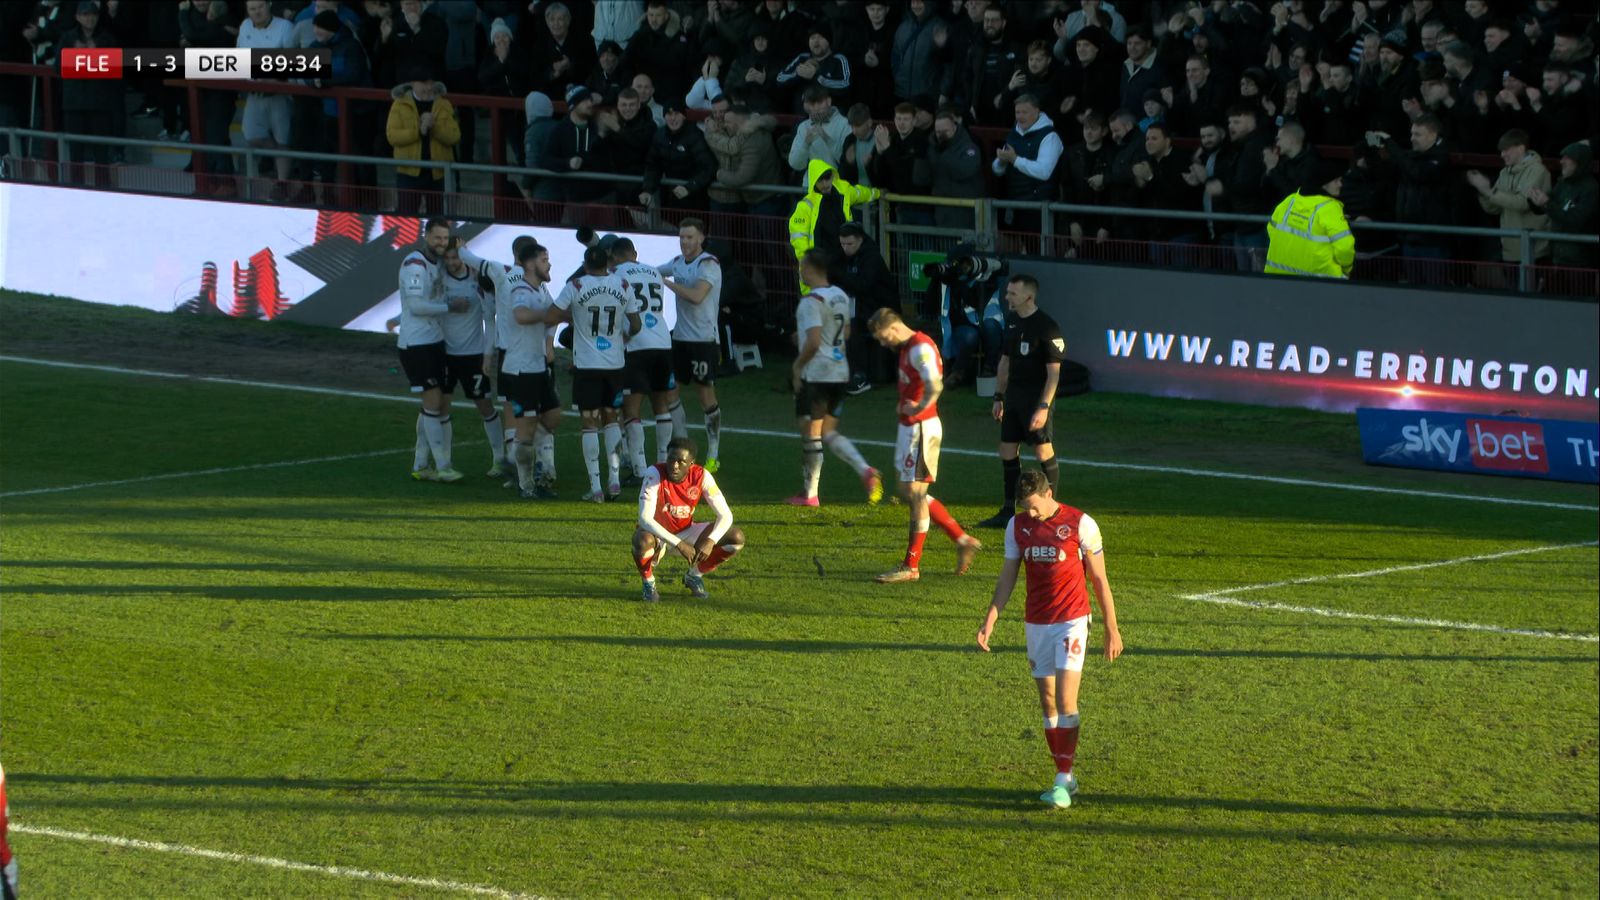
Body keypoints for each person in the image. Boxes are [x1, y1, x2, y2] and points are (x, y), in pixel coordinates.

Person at [976, 469, 1125, 809]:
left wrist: (1111, 627)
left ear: (1048, 492)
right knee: (1048, 702)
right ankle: (1065, 776)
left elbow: (1099, 580)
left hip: (1072, 621)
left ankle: (1062, 776)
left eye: (1033, 506)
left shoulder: (1080, 524)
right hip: (1037, 622)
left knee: (1066, 698)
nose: (1029, 513)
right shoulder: (1017, 527)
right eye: (1024, 507)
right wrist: (990, 619)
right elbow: (1008, 576)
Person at [868, 308, 982, 585]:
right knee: (908, 491)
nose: (884, 344)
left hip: (921, 429)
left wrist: (919, 406)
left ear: (893, 328)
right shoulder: (910, 347)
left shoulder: (919, 348)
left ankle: (911, 565)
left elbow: (935, 384)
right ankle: (962, 539)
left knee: (916, 495)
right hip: (910, 428)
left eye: (883, 337)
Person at [548, 245, 644, 502]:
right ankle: (614, 482)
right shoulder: (623, 285)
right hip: (614, 365)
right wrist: (623, 335)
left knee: (589, 422)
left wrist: (575, 318)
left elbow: (552, 315)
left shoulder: (576, 286)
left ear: (585, 264)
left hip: (587, 365)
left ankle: (596, 487)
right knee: (611, 419)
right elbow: (636, 324)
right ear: (608, 262)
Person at [787, 249, 881, 508]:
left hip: (816, 373)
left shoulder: (810, 301)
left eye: (802, 267)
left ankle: (810, 494)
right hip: (840, 371)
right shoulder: (839, 295)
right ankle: (864, 469)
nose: (800, 271)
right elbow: (846, 332)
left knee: (811, 433)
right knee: (828, 431)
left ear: (809, 269)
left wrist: (797, 367)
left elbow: (815, 342)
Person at [978, 275, 1064, 529]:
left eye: (1012, 294)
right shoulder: (1012, 323)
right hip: (1013, 398)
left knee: (1042, 450)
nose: (1007, 298)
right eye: (1008, 293)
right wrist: (998, 396)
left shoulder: (1047, 327)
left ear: (1028, 296)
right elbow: (1005, 363)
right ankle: (1008, 510)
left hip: (1035, 400)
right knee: (1006, 450)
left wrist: (1044, 407)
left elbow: (1054, 375)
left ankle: (1050, 510)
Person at [398, 219, 473, 482]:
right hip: (416, 344)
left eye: (445, 238)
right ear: (426, 235)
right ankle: (443, 467)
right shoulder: (414, 265)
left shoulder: (439, 262)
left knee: (438, 404)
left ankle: (421, 464)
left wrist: (463, 251)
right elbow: (417, 306)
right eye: (437, 238)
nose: (441, 243)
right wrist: (450, 307)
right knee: (433, 402)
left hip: (435, 341)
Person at [633, 437, 745, 602]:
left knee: (736, 537)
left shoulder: (702, 476)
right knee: (642, 540)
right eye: (671, 459)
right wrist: (679, 544)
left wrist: (711, 541)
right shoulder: (654, 474)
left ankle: (694, 575)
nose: (674, 466)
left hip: (686, 531)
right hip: (658, 535)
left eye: (681, 462)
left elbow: (726, 515)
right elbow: (644, 519)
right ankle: (648, 583)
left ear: (691, 464)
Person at [658, 219, 726, 473]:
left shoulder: (709, 265)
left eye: (689, 237)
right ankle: (683, 445)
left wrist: (667, 283)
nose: (684, 242)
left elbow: (697, 296)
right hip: (680, 340)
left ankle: (713, 454)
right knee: (670, 389)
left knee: (705, 394)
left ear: (701, 238)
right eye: (682, 237)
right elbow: (656, 271)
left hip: (704, 342)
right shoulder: (677, 262)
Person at [435, 239, 507, 478]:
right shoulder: (439, 280)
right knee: (440, 407)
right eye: (448, 258)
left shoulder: (478, 282)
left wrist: (488, 354)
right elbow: (426, 305)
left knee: (485, 406)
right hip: (445, 355)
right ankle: (443, 463)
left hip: (473, 356)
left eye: (455, 257)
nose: (452, 262)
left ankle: (499, 459)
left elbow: (490, 320)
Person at [612, 237, 679, 478]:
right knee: (662, 406)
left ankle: (640, 470)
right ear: (634, 252)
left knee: (632, 409)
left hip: (635, 346)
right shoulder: (653, 272)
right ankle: (663, 464)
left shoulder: (616, 274)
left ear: (615, 257)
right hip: (662, 342)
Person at [502, 239, 563, 498]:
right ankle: (526, 485)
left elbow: (553, 316)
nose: (549, 264)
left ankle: (516, 455)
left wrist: (550, 340)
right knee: (527, 425)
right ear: (529, 264)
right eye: (544, 260)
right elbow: (521, 315)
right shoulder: (521, 289)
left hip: (538, 366)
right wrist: (547, 315)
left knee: (552, 416)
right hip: (521, 369)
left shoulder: (540, 290)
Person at [789, 160, 880, 292]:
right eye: (821, 181)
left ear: (832, 177)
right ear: (814, 181)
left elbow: (860, 193)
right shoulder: (805, 206)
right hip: (820, 265)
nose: (825, 184)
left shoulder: (843, 191)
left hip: (842, 261)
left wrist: (877, 193)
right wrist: (808, 262)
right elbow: (798, 238)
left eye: (828, 179)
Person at [236, 0, 296, 199]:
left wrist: (273, 78)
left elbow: (293, 61)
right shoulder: (245, 26)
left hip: (279, 93)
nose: (257, 12)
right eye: (252, 9)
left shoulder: (285, 27)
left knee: (283, 138)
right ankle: (281, 161)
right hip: (254, 92)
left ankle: (283, 182)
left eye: (260, 7)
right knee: (251, 135)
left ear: (269, 5)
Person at [1466, 129, 1551, 267]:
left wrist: (1489, 191)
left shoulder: (1538, 170)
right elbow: (1494, 209)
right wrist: (1482, 192)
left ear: (1521, 148)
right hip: (1509, 249)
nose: (1502, 154)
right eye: (1501, 151)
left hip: (1533, 250)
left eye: (1506, 150)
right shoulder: (1504, 172)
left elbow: (1523, 203)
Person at [1264, 163, 1357, 279]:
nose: (1340, 184)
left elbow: (1271, 229)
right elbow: (1345, 246)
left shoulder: (1290, 201)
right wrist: (1346, 269)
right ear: (1324, 185)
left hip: (1278, 277)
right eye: (1336, 181)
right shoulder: (1329, 208)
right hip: (1320, 283)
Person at [833, 222, 896, 393]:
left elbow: (863, 286)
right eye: (842, 244)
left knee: (853, 327)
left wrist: (838, 273)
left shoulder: (871, 258)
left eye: (849, 244)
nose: (845, 248)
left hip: (881, 309)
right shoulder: (844, 256)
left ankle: (859, 375)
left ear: (860, 240)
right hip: (863, 307)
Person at [386, 71, 460, 215]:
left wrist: (434, 128)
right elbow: (392, 136)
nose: (427, 87)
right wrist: (418, 131)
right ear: (412, 84)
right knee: (407, 221)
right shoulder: (400, 104)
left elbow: (454, 136)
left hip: (438, 173)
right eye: (422, 83)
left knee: (439, 219)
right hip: (408, 172)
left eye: (430, 83)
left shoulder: (444, 104)